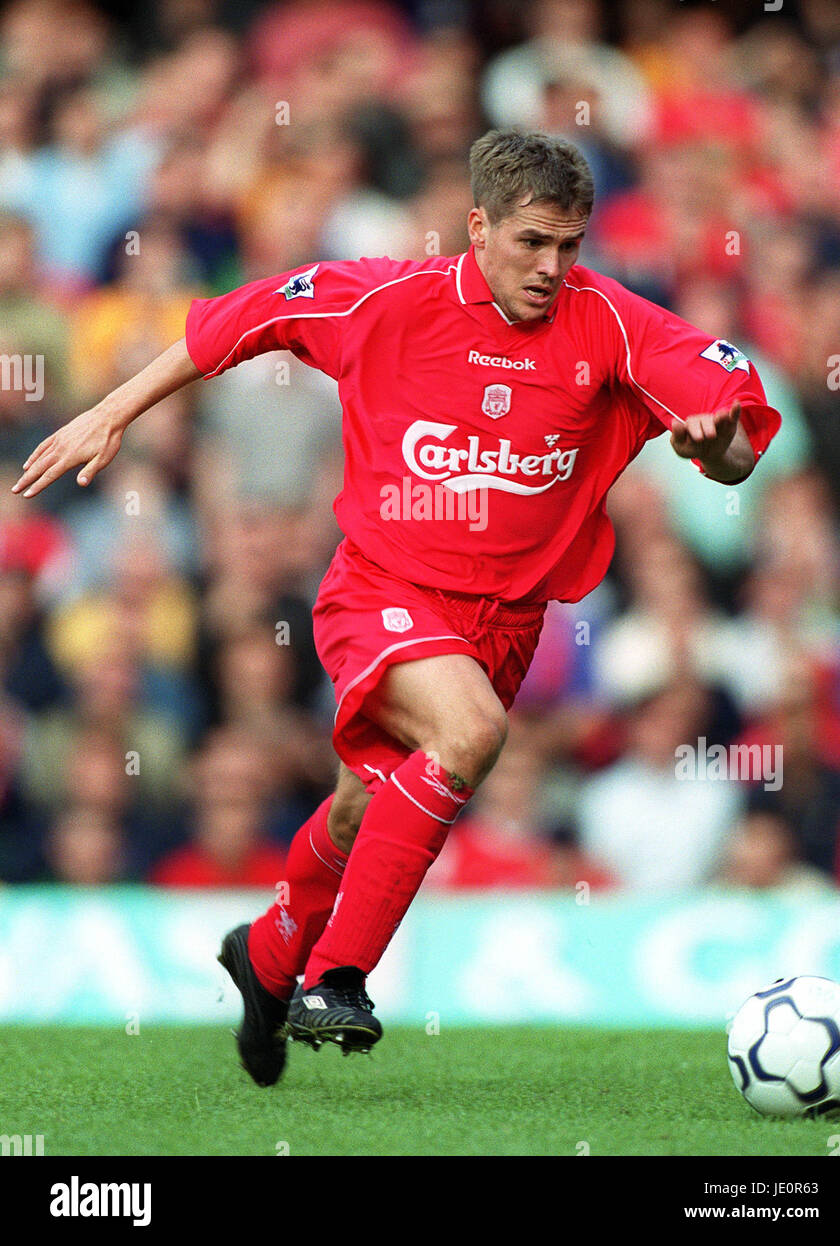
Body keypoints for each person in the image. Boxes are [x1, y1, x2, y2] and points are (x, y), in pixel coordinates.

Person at [13, 129, 781, 1084]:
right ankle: (338, 976)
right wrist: (111, 411)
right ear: (476, 226)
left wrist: (715, 455)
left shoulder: (612, 322)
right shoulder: (387, 298)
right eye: (532, 242)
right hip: (380, 589)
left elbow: (732, 431)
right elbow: (232, 325)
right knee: (470, 734)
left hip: (503, 623)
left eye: (569, 246)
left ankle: (265, 955)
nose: (552, 267)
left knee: (354, 815)